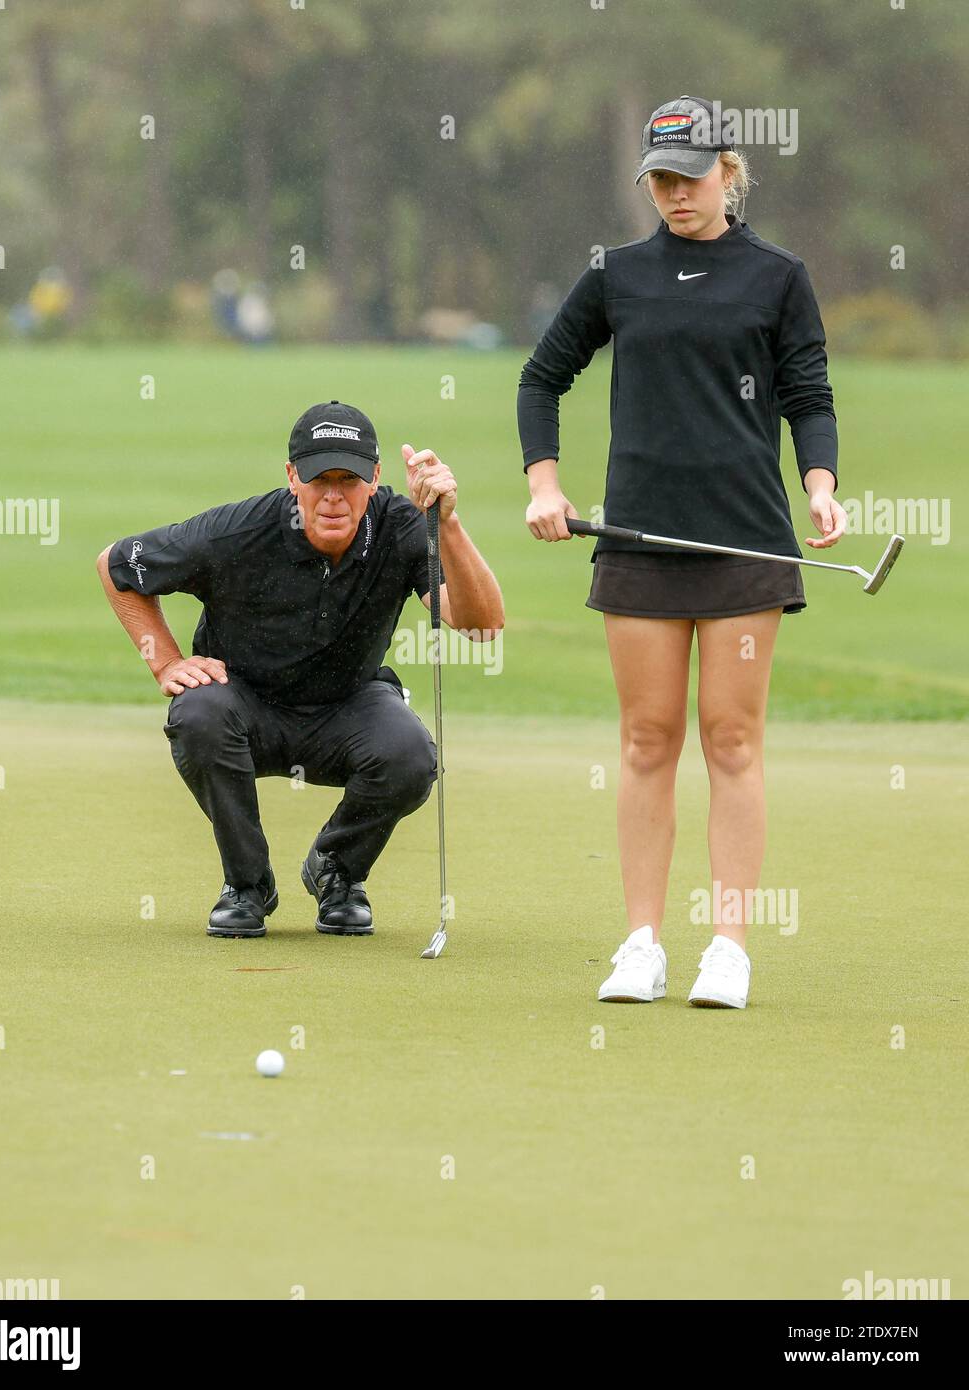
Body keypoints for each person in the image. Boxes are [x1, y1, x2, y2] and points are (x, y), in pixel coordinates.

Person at [517, 95, 845, 1009]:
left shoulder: (777, 276)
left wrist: (819, 482)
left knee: (732, 740)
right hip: (639, 540)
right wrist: (545, 483)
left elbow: (808, 393)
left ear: (729, 173)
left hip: (743, 541)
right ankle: (641, 944)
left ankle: (729, 948)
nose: (674, 194)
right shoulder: (619, 275)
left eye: (690, 176)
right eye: (659, 179)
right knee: (647, 736)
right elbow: (542, 377)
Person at [97, 401, 503, 939]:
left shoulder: (401, 527)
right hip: (244, 707)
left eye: (349, 479)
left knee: (408, 754)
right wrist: (166, 661)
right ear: (293, 477)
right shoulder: (236, 532)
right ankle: (247, 886)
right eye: (319, 479)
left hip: (348, 708)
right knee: (199, 713)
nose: (334, 495)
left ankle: (336, 871)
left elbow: (481, 626)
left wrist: (445, 524)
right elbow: (118, 565)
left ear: (375, 478)